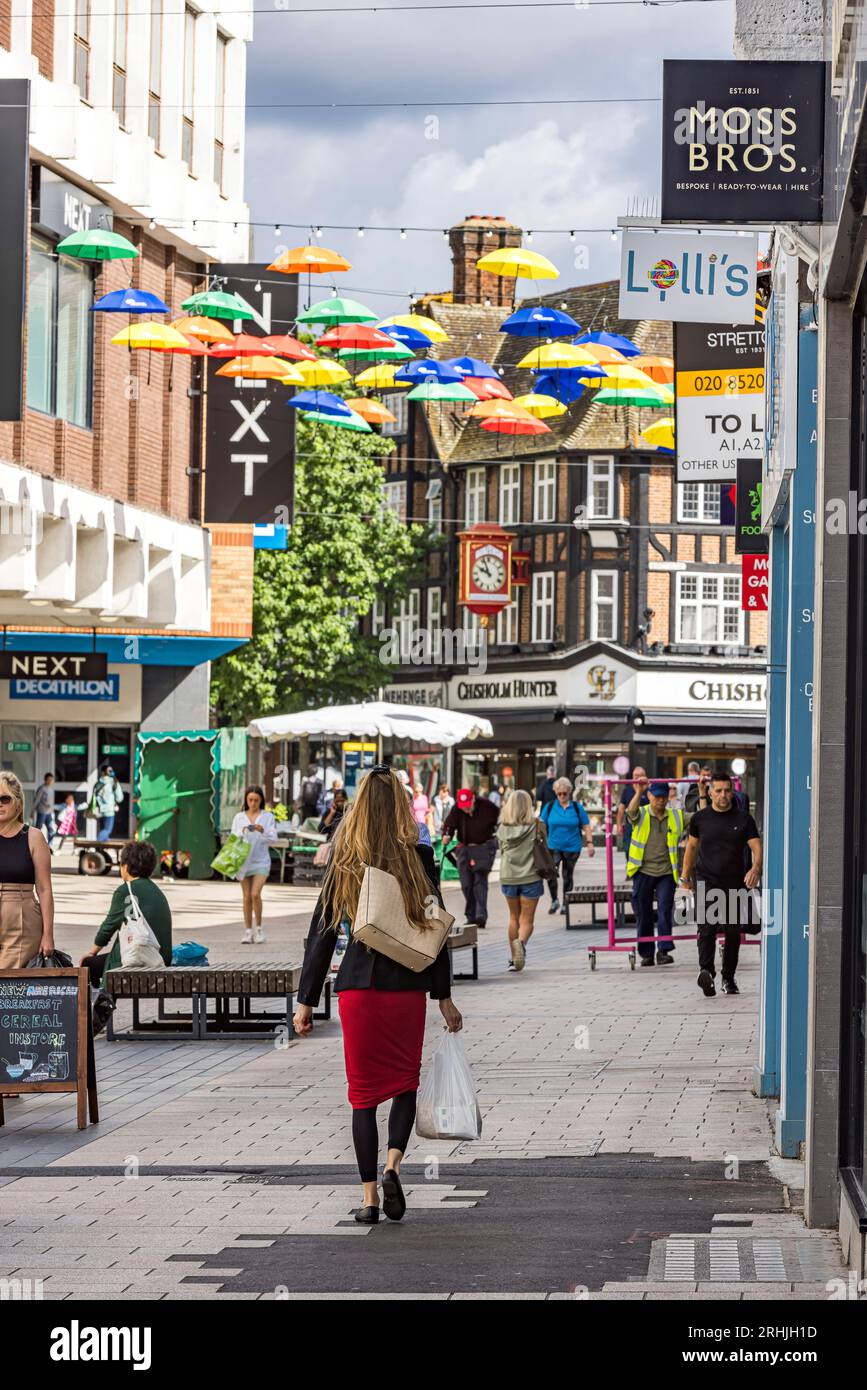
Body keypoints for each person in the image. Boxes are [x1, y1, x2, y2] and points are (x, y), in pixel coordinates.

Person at [293, 765, 461, 1224]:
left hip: (359, 988)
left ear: (360, 808)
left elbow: (321, 934)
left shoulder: (345, 860)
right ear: (402, 808)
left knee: (362, 1096)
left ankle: (369, 1200)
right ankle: (392, 1166)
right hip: (407, 986)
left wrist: (306, 1000)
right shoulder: (418, 857)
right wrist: (442, 996)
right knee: (404, 1084)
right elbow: (436, 930)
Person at [680, 772, 763, 997]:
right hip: (706, 881)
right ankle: (706, 972)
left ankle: (728, 977)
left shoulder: (744, 819)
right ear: (710, 792)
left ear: (732, 791)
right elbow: (692, 848)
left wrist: (755, 869)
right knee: (705, 929)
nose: (723, 795)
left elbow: (757, 847)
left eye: (727, 790)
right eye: (718, 790)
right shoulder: (700, 819)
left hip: (735, 883)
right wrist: (685, 875)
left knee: (733, 933)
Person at [79, 840, 172, 986]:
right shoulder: (157, 891)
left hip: (139, 959)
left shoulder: (125, 890)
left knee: (88, 964)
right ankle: (102, 1000)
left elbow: (108, 927)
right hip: (161, 958)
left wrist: (92, 952)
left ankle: (101, 1002)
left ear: (126, 867)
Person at [626, 780, 690, 967]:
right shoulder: (643, 813)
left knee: (664, 910)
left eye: (663, 797)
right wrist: (638, 792)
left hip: (666, 873)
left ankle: (663, 950)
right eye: (657, 797)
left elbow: (699, 818)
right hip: (643, 870)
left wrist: (703, 793)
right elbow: (631, 812)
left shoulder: (676, 816)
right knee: (643, 912)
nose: (660, 801)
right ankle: (646, 953)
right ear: (650, 796)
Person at [0, 771, 54, 969]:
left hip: (22, 917)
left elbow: (44, 889)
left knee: (9, 984)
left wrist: (48, 935)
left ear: (18, 802)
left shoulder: (33, 837)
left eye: (4, 799)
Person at [497, 789, 547, 972]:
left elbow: (501, 849)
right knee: (527, 919)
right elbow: (545, 846)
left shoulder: (502, 828)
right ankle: (522, 944)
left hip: (509, 875)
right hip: (531, 876)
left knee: (513, 917)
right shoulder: (537, 825)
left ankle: (513, 959)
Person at [442, 786, 499, 929]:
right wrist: (447, 835)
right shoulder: (457, 808)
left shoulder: (487, 806)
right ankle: (471, 916)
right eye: (463, 807)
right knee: (466, 884)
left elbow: (499, 819)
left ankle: (480, 916)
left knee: (480, 881)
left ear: (473, 799)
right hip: (465, 848)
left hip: (483, 848)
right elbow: (449, 824)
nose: (465, 809)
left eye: (468, 806)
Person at [231, 785, 278, 944]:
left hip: (261, 860)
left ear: (261, 801)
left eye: (256, 800)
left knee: (255, 894)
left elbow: (273, 838)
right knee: (246, 897)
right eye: (250, 800)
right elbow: (233, 838)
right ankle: (248, 931)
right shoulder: (239, 818)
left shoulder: (267, 817)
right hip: (243, 861)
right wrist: (243, 831)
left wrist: (261, 830)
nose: (253, 803)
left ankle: (259, 929)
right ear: (246, 800)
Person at [541, 777, 595, 913]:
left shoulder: (577, 807)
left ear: (569, 792)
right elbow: (540, 825)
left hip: (572, 847)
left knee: (567, 875)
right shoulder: (550, 807)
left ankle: (566, 902)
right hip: (553, 846)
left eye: (564, 793)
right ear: (555, 793)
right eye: (559, 793)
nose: (562, 796)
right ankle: (554, 900)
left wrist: (590, 843)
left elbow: (586, 826)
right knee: (551, 874)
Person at [616, 765, 649, 860]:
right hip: (630, 824)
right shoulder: (627, 790)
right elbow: (621, 809)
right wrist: (618, 825)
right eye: (636, 776)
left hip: (645, 824)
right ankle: (629, 871)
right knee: (628, 849)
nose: (638, 778)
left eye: (640, 775)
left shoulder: (648, 789)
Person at [92, 763, 123, 842]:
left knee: (104, 831)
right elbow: (119, 798)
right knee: (107, 830)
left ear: (102, 772)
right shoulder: (113, 782)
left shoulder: (98, 783)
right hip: (109, 811)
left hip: (99, 811)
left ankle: (102, 849)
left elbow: (94, 796)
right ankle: (97, 844)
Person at [32, 773, 55, 840]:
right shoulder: (41, 789)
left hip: (49, 813)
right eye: (48, 780)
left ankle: (49, 846)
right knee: (38, 829)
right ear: (45, 780)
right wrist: (32, 811)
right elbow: (36, 800)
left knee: (51, 830)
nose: (50, 781)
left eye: (51, 780)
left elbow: (51, 802)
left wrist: (52, 811)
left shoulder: (51, 790)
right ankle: (33, 844)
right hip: (42, 811)